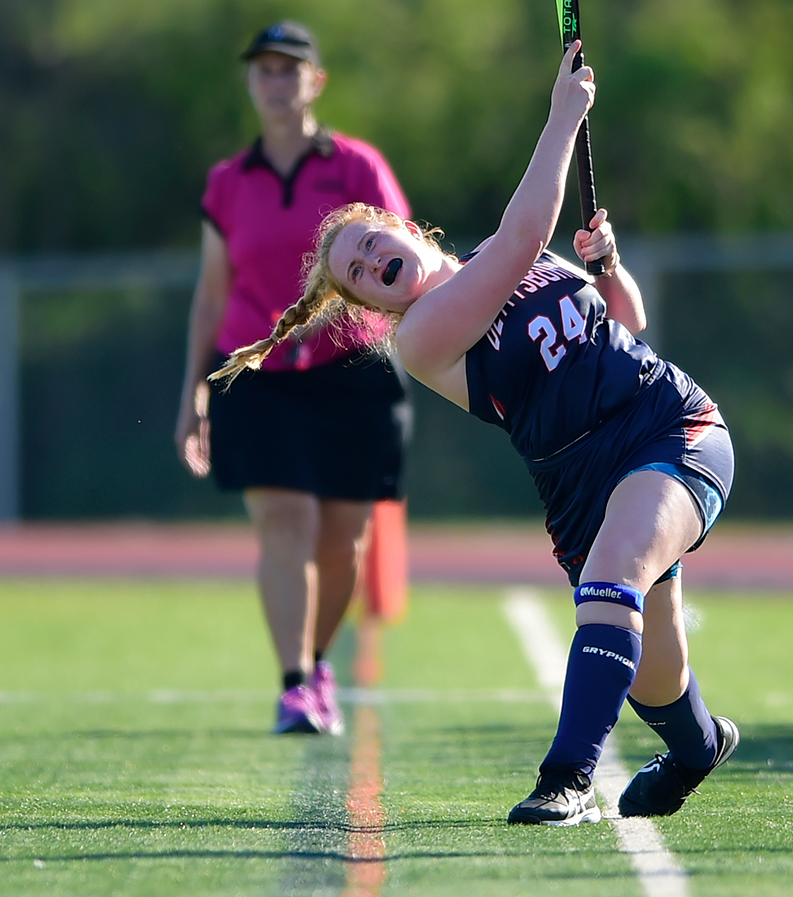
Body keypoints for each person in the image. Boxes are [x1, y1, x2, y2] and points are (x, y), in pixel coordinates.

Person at [212, 42, 740, 825]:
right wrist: (562, 117)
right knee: (654, 676)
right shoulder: (423, 335)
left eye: (370, 243)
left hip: (666, 427)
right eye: (357, 272)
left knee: (614, 581)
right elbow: (525, 234)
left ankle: (566, 778)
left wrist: (607, 266)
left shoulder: (503, 253)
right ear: (371, 305)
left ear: (403, 228)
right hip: (579, 486)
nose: (371, 262)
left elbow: (625, 323)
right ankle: (698, 746)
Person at [174, 21, 414, 737]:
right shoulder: (228, 182)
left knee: (343, 544)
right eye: (264, 70)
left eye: (289, 69)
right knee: (287, 522)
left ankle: (314, 664)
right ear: (250, 82)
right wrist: (191, 392)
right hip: (259, 374)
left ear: (316, 81)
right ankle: (293, 685)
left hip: (350, 370)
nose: (276, 82)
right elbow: (212, 294)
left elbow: (402, 266)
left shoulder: (358, 167)